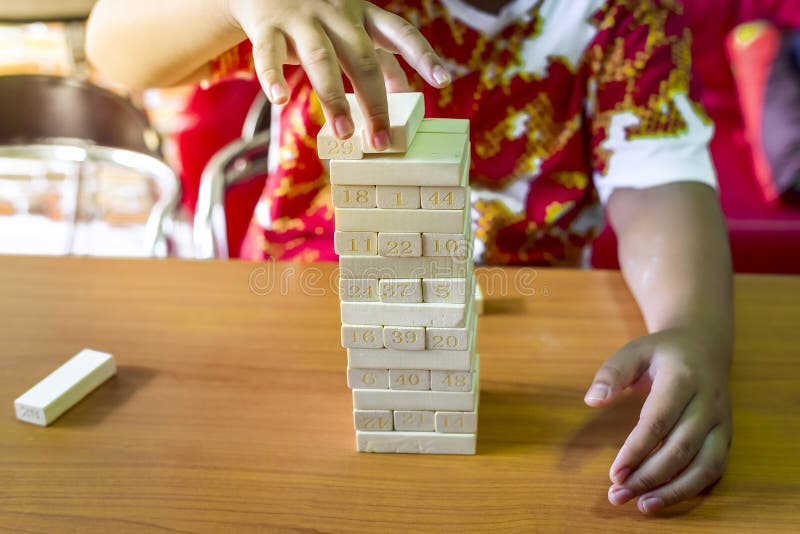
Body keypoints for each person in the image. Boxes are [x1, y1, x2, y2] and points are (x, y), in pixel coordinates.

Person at [87, 0, 734, 514]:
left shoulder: (629, 16)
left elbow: (660, 184)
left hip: (530, 318)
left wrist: (693, 327)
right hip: (297, 301)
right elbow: (114, 49)